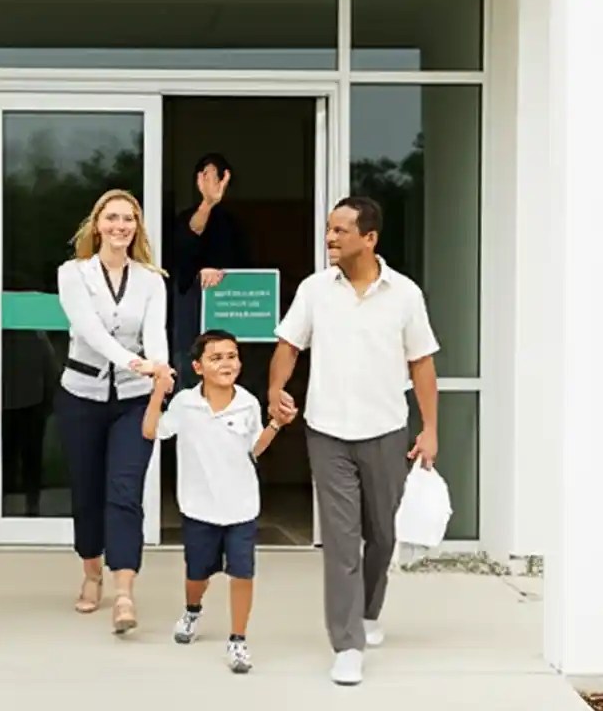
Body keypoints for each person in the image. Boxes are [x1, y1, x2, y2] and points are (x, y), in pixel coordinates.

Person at [267, 196, 440, 686]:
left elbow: (422, 363)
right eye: (329, 229)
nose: (331, 237)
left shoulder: (404, 294)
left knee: (382, 533)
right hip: (327, 432)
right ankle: (347, 643)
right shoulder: (315, 290)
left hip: (386, 430)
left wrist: (429, 430)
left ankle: (368, 610)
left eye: (342, 230)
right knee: (342, 542)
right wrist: (276, 389)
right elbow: (288, 345)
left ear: (370, 238)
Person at [141, 329, 296, 674]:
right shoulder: (184, 404)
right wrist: (157, 393)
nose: (227, 363)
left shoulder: (248, 403)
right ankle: (192, 611)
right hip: (199, 507)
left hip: (241, 506)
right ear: (198, 367)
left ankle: (238, 639)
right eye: (216, 358)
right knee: (198, 573)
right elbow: (152, 431)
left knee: (242, 573)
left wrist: (276, 425)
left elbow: (254, 449)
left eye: (232, 356)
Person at [55, 188, 171, 633]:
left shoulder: (151, 279)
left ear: (137, 227)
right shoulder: (73, 274)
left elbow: (156, 334)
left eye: (129, 219)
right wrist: (135, 361)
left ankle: (124, 591)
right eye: (112, 218)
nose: (120, 226)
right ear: (97, 224)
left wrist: (158, 372)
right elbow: (90, 329)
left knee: (124, 491)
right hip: (80, 396)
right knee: (87, 491)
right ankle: (91, 574)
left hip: (133, 401)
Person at [167, 153, 250, 389]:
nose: (207, 181)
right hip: (189, 313)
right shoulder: (188, 217)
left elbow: (245, 265)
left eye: (213, 175)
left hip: (228, 313)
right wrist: (208, 203)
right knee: (188, 372)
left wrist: (222, 275)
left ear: (225, 179)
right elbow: (185, 242)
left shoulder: (234, 223)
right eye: (203, 175)